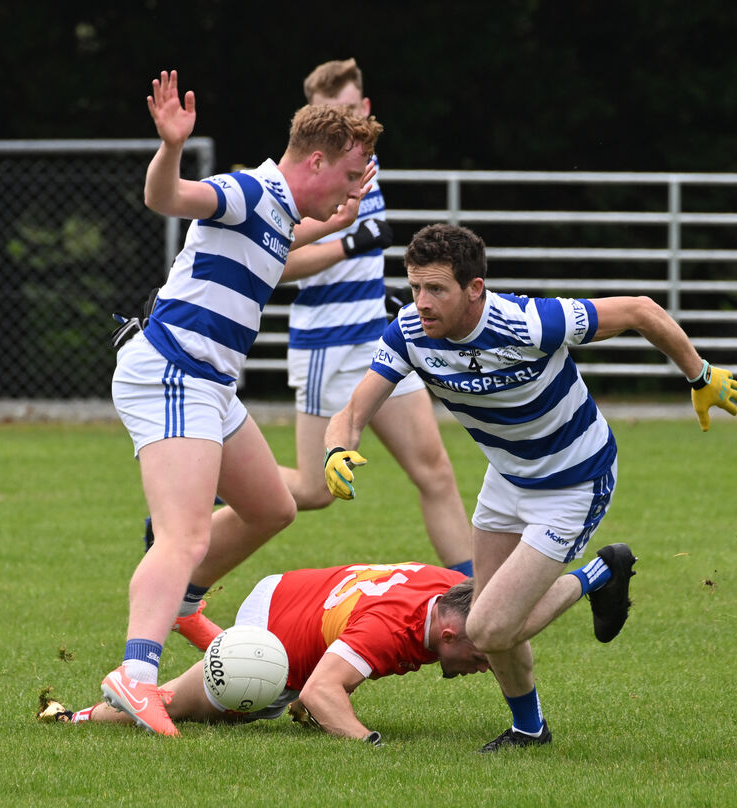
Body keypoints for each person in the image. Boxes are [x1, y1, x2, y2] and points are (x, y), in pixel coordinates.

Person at [323, 223, 737, 751]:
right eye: (414, 288)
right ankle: (529, 730)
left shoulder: (530, 323)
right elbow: (353, 410)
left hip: (575, 481)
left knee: (490, 627)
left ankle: (599, 572)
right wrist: (337, 448)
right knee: (493, 614)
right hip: (506, 479)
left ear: (474, 288)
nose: (421, 303)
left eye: (436, 290)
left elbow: (640, 309)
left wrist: (699, 375)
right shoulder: (410, 333)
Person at [101, 69, 381, 737]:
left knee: (272, 506)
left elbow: (271, 248)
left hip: (210, 384)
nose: (353, 189)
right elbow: (166, 197)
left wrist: (329, 224)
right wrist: (170, 146)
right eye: (347, 176)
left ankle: (185, 601)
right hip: (172, 373)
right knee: (185, 533)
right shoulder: (250, 189)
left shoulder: (280, 210)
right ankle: (135, 675)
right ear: (314, 160)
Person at [279, 59, 472, 574]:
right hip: (326, 346)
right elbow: (279, 266)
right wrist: (349, 244)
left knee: (434, 471)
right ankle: (203, 489)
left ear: (364, 109)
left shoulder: (367, 166)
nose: (343, 126)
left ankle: (475, 601)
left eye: (348, 112)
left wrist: (379, 293)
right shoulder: (310, 175)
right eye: (330, 116)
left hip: (377, 341)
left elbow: (363, 258)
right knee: (314, 491)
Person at [43, 562, 488, 742]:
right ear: (447, 634)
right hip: (272, 642)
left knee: (285, 697)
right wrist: (368, 742)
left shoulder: (448, 586)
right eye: (481, 654)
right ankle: (70, 717)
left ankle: (193, 622)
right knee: (184, 705)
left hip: (287, 592)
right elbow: (321, 692)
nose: (485, 666)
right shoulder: (388, 630)